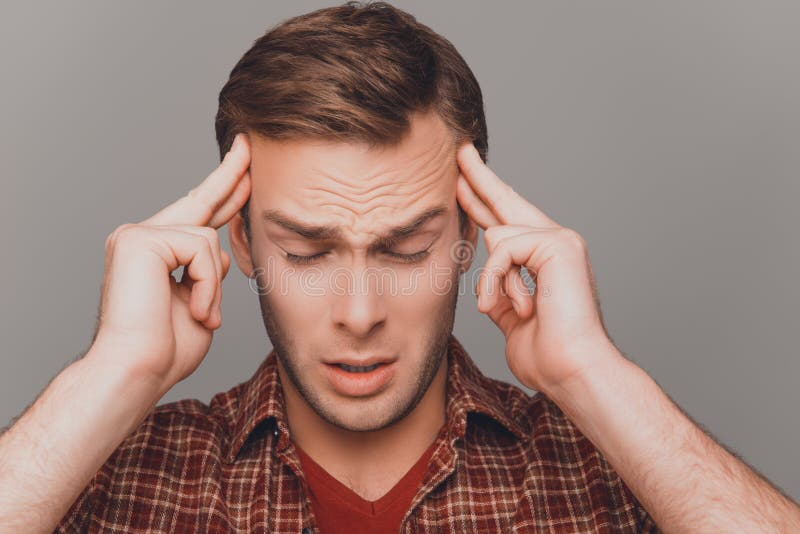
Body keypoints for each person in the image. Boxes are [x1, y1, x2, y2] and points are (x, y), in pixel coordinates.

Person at [1, 2, 798, 532]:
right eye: (308, 252)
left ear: (472, 237)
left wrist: (597, 377)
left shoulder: (611, 476)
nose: (358, 311)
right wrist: (113, 374)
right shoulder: (110, 478)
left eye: (407, 249)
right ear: (239, 242)